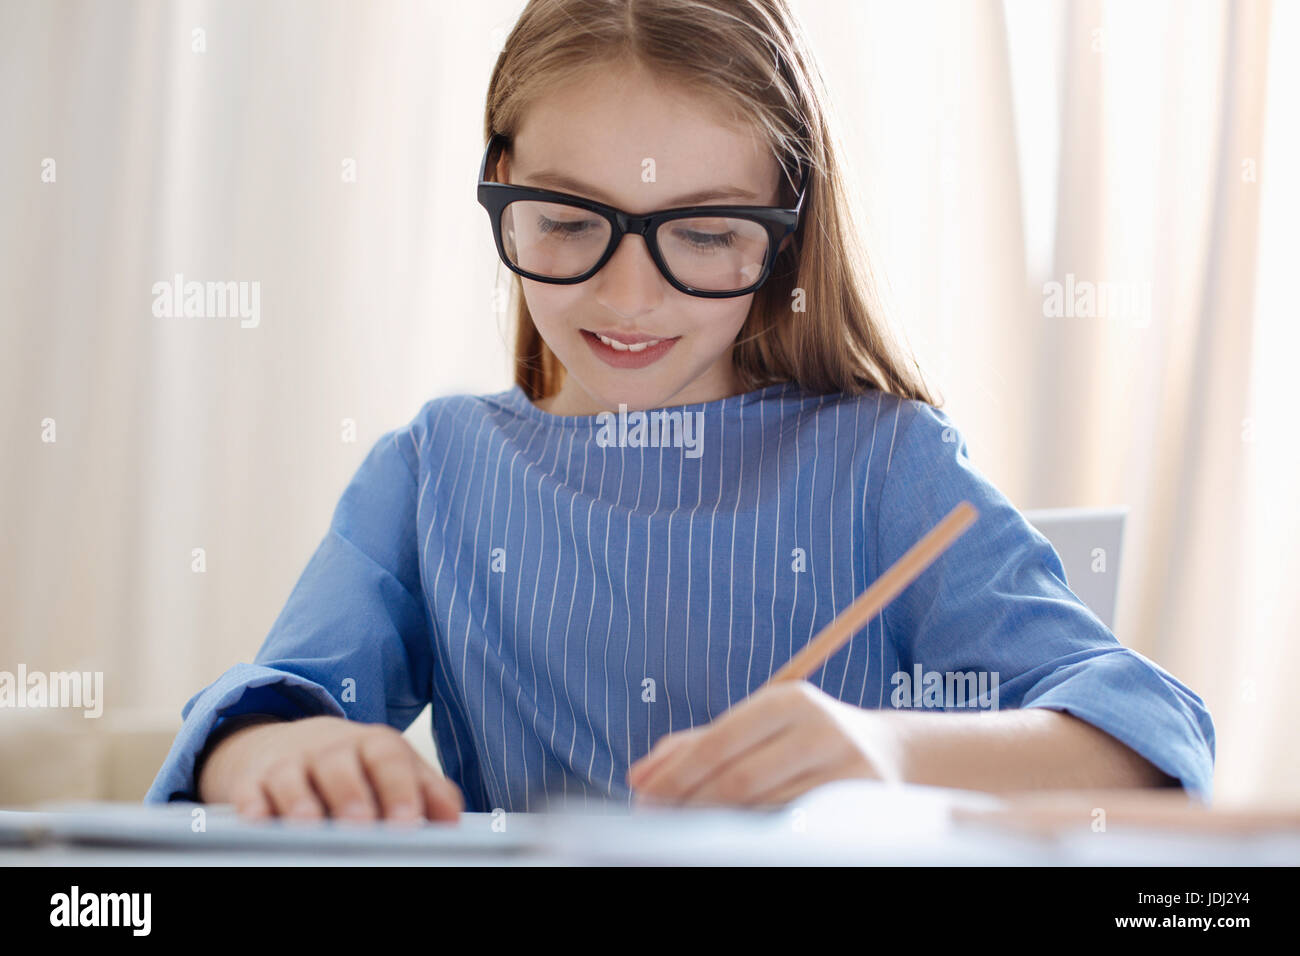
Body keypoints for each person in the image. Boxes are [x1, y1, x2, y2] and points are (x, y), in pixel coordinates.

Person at [145, 0, 1214, 821]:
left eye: (703, 234)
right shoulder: (433, 468)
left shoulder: (886, 467)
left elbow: (1152, 736)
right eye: (565, 219)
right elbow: (264, 704)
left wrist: (888, 752)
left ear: (782, 232)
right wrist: (274, 752)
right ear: (502, 179)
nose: (628, 297)